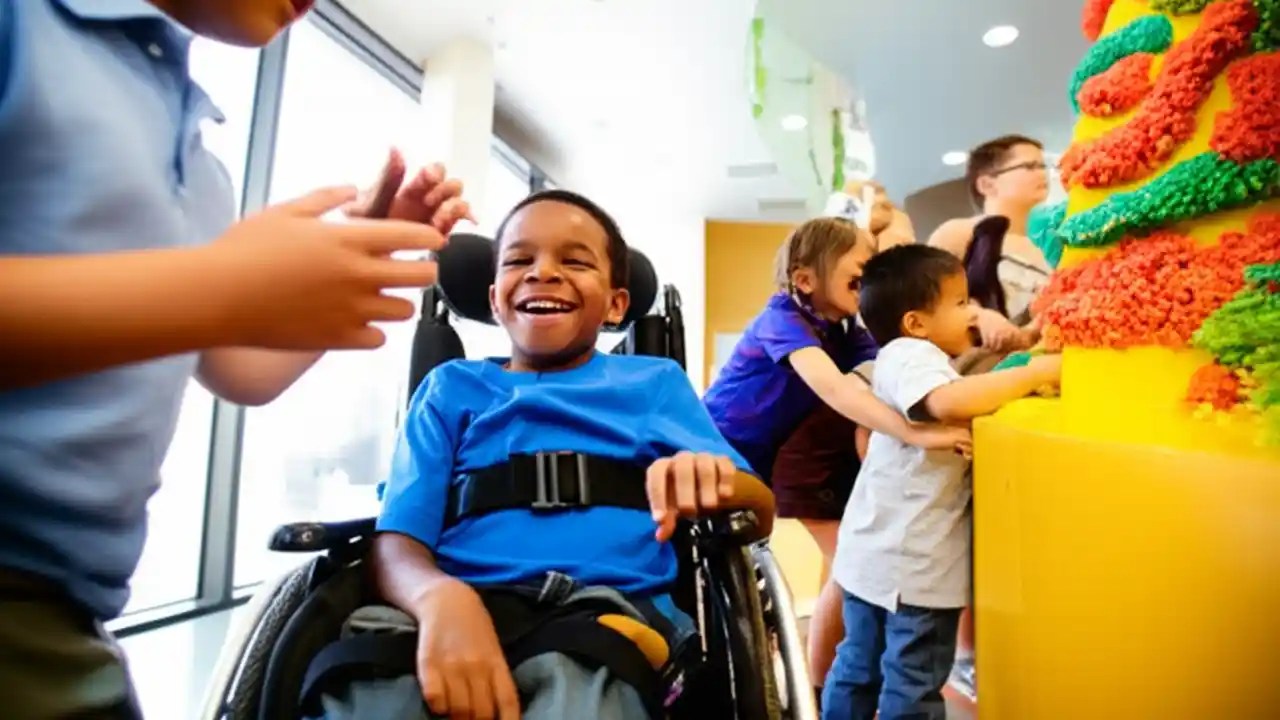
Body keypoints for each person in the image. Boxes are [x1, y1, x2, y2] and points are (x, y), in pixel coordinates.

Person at [0, 3, 471, 717]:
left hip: (70, 609)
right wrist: (218, 286)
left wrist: (357, 257)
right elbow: (203, 305)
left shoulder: (194, 151)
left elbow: (235, 367)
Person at [369, 190, 776, 720]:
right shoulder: (450, 389)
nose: (544, 273)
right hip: (452, 604)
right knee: (367, 686)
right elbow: (397, 539)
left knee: (577, 695)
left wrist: (715, 480)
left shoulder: (652, 384)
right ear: (495, 300)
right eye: (519, 260)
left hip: (603, 610)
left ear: (616, 304)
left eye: (575, 261)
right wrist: (438, 599)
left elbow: (759, 507)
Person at [702, 217, 971, 704]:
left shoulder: (843, 328)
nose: (868, 280)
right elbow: (832, 386)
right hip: (714, 448)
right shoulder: (781, 318)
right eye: (860, 268)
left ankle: (812, 687)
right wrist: (915, 432)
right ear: (805, 280)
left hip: (753, 463)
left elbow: (886, 367)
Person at [821, 244, 1061, 720]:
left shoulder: (913, 357)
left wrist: (1025, 341)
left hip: (876, 557)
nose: (972, 311)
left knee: (858, 667)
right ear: (915, 323)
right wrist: (1035, 373)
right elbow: (948, 402)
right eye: (960, 302)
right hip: (915, 566)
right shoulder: (911, 357)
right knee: (911, 680)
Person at [928, 134, 1054, 372]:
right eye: (1029, 166)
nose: (1042, 173)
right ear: (986, 184)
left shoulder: (1051, 244)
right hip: (985, 370)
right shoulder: (960, 232)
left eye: (1042, 165)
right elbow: (924, 297)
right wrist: (977, 316)